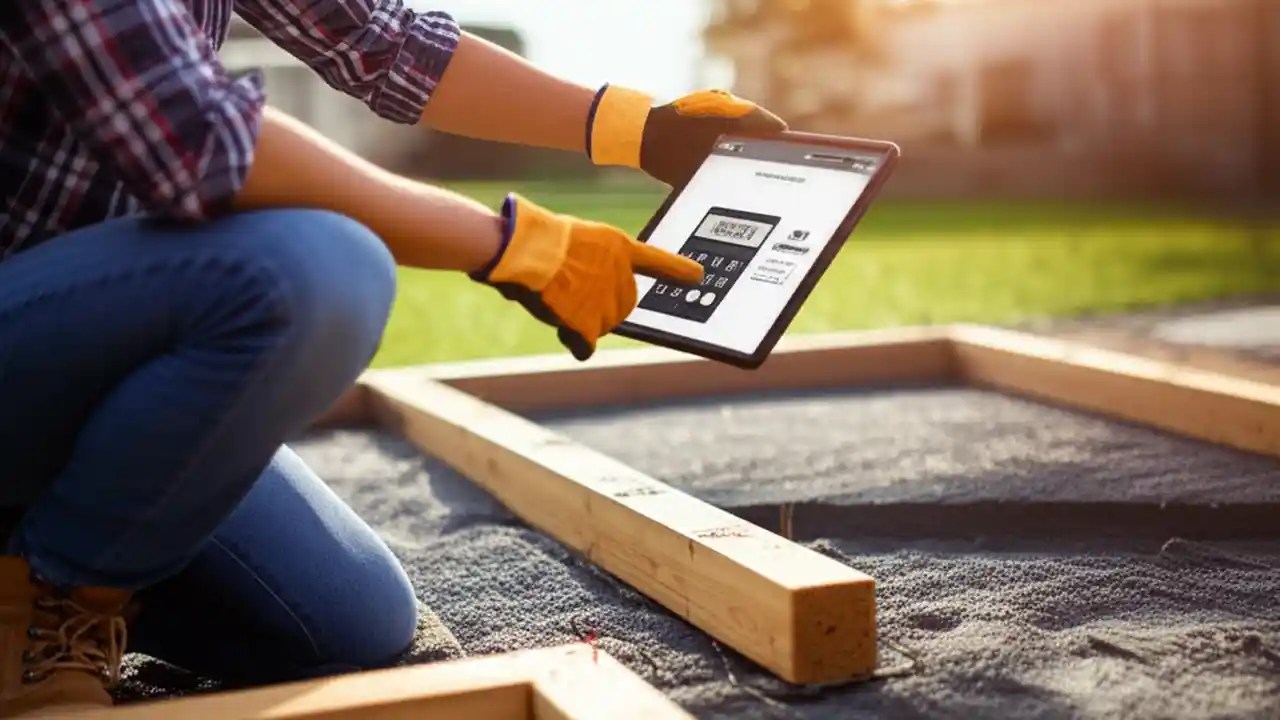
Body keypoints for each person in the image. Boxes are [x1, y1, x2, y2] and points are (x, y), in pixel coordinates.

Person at [0, 1, 787, 715]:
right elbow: (202, 141)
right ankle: (51, 604)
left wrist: (637, 126)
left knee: (351, 625)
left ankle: (44, 542)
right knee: (310, 270)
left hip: (74, 359)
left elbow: (381, 40)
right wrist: (516, 246)